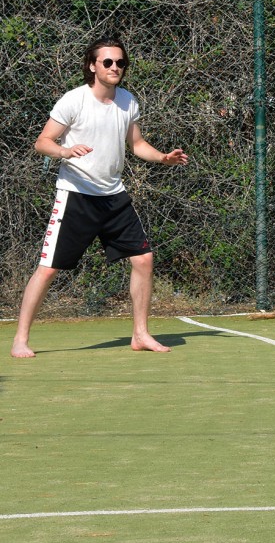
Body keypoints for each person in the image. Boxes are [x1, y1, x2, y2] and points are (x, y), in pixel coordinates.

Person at [10, 36, 189, 358]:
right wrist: (65, 151)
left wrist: (163, 157)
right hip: (76, 195)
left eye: (120, 62)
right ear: (92, 66)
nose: (115, 67)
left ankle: (140, 334)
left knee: (144, 259)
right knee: (49, 268)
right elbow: (42, 142)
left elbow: (136, 145)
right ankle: (20, 339)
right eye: (108, 62)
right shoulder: (74, 101)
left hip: (114, 197)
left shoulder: (127, 102)